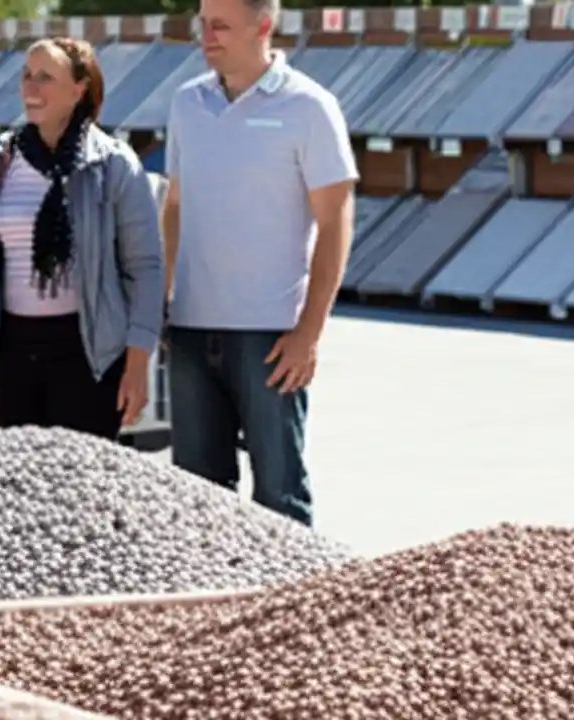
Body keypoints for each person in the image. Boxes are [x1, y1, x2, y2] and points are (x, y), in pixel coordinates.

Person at [162, 0, 358, 525]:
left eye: (221, 26)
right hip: (190, 330)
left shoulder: (309, 107)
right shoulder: (186, 104)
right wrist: (161, 302)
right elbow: (175, 205)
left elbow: (336, 224)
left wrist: (308, 333)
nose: (207, 36)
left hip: (271, 337)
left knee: (279, 496)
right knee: (197, 499)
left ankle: (296, 584)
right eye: (203, 24)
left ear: (263, 26)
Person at [0, 37, 164, 441]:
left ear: (79, 89)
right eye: (26, 75)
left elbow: (145, 267)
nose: (31, 87)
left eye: (45, 77)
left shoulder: (113, 164)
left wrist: (138, 362)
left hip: (89, 352)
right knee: (19, 472)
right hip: (14, 349)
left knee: (79, 475)